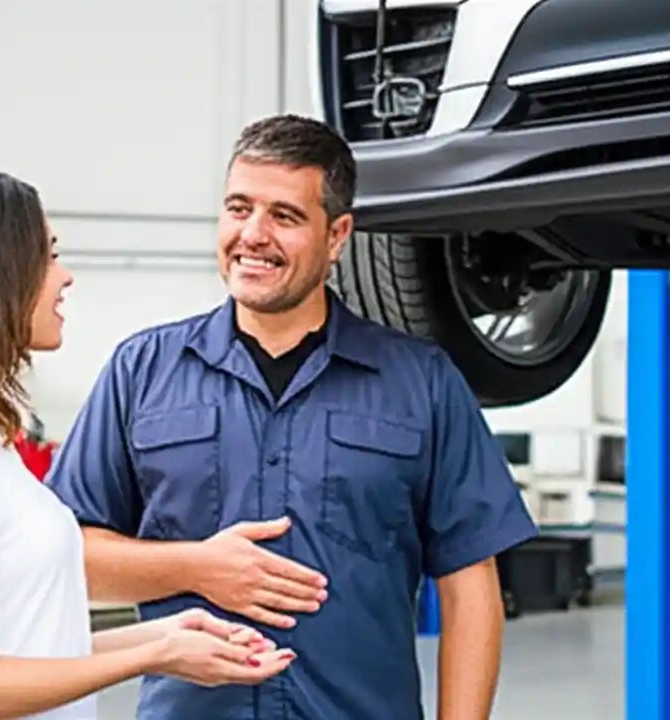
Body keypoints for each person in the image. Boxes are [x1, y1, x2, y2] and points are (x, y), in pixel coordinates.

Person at [45, 114, 538, 719]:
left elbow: (470, 583)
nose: (253, 234)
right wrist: (197, 568)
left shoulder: (421, 382)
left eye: (284, 216)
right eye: (238, 207)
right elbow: (68, 561)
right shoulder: (141, 371)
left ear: (337, 236)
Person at [0, 170, 296, 720]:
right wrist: (158, 651)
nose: (64, 277)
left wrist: (163, 641)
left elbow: (27, 651)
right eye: (48, 257)